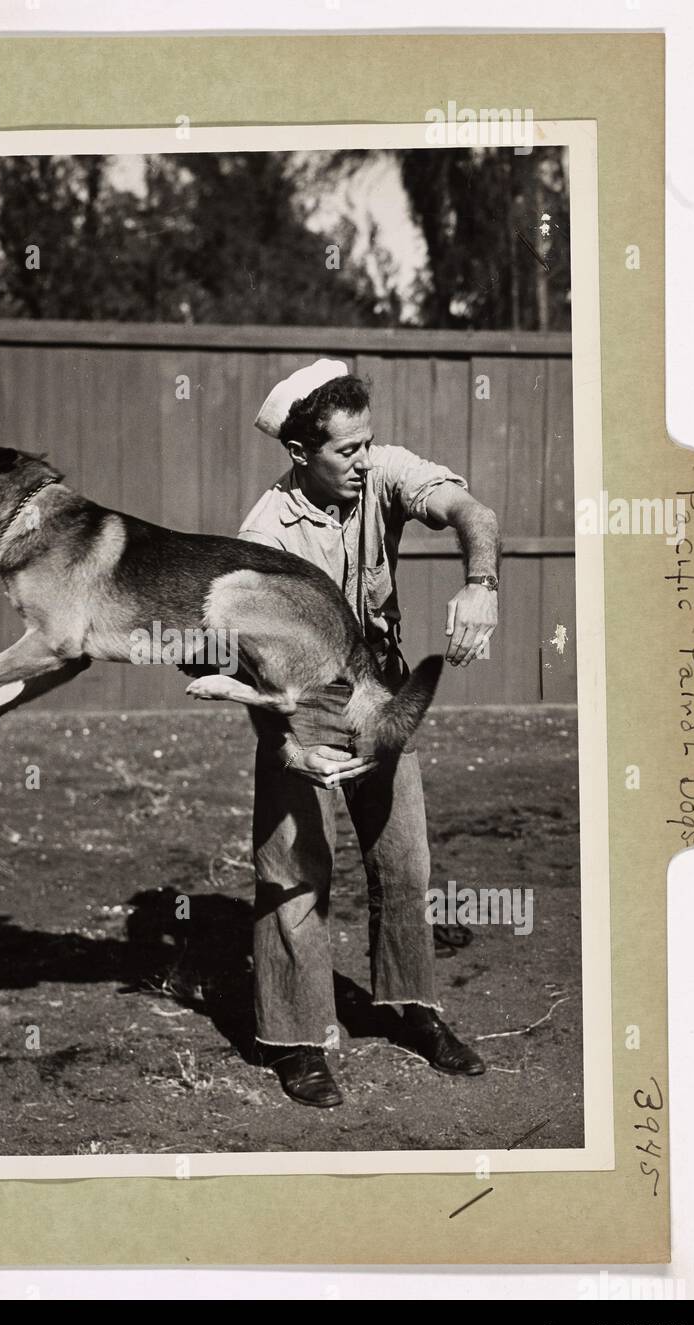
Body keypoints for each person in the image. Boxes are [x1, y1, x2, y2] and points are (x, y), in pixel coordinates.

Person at [238, 359, 500, 1107]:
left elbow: (471, 513)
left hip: (381, 699)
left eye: (367, 444)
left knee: (406, 864)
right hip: (301, 705)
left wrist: (480, 585)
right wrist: (291, 738)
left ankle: (410, 1007)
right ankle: (293, 1039)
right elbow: (252, 656)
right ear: (299, 454)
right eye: (344, 451)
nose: (362, 460)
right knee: (294, 873)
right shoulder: (265, 533)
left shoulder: (379, 470)